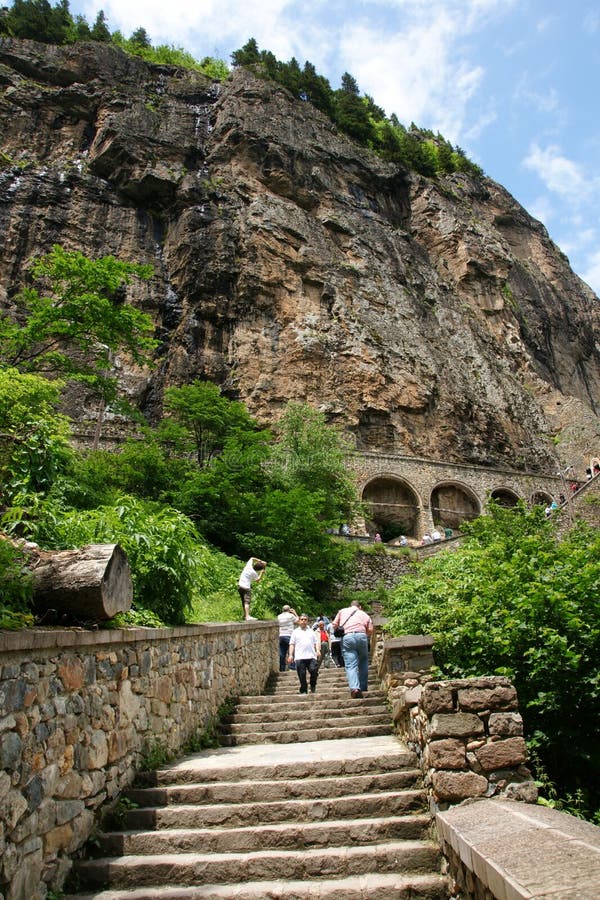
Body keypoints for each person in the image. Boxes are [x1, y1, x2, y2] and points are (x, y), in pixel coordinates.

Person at [332, 600, 373, 699]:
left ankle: (355, 688)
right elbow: (371, 630)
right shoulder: (364, 614)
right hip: (361, 636)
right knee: (363, 662)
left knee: (350, 665)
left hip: (348, 637)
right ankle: (363, 687)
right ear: (360, 607)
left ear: (350, 605)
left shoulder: (342, 611)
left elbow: (334, 625)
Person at [288, 614, 321, 694]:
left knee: (314, 671)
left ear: (307, 621)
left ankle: (313, 684)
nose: (303, 621)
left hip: (311, 656)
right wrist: (290, 655)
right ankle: (303, 690)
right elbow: (292, 644)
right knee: (302, 675)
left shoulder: (311, 632)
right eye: (302, 619)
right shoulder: (295, 632)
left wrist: (317, 650)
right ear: (299, 621)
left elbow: (316, 642)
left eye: (305, 619)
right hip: (300, 657)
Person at [237, 557, 267, 621]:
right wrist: (262, 573)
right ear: (259, 569)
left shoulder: (248, 566)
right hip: (246, 588)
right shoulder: (254, 573)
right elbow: (258, 580)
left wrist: (260, 561)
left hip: (240, 586)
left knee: (244, 602)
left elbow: (252, 558)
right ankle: (247, 617)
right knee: (247, 602)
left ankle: (245, 615)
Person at [277, 604, 298, 672]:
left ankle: (282, 669)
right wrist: (295, 613)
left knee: (282, 653)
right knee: (291, 652)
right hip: (289, 635)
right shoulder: (291, 616)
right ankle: (292, 667)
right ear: (289, 610)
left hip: (281, 636)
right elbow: (298, 621)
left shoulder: (279, 616)